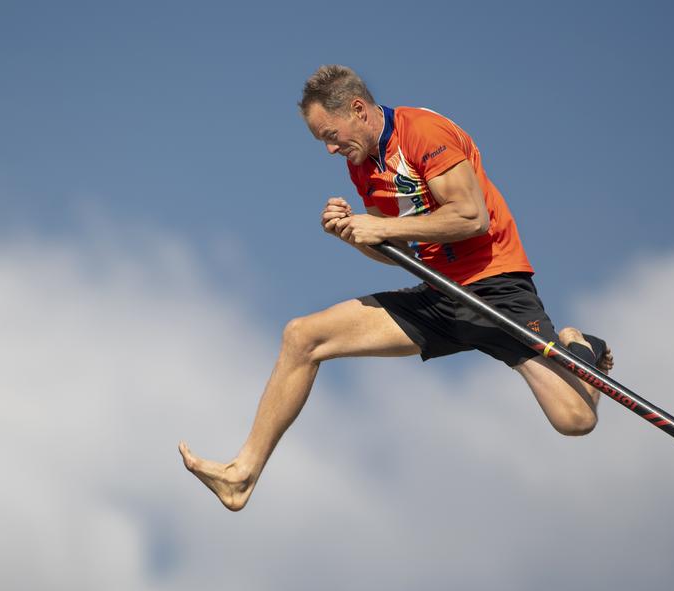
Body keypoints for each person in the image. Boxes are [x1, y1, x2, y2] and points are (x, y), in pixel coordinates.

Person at [179, 65, 613, 511]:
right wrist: (352, 233)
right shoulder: (362, 164)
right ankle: (242, 476)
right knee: (302, 337)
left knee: (576, 419)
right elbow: (394, 249)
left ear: (358, 109)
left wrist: (378, 226)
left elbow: (470, 217)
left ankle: (581, 350)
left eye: (331, 134)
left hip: (495, 286)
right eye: (321, 141)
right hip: (440, 294)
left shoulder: (423, 132)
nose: (330, 148)